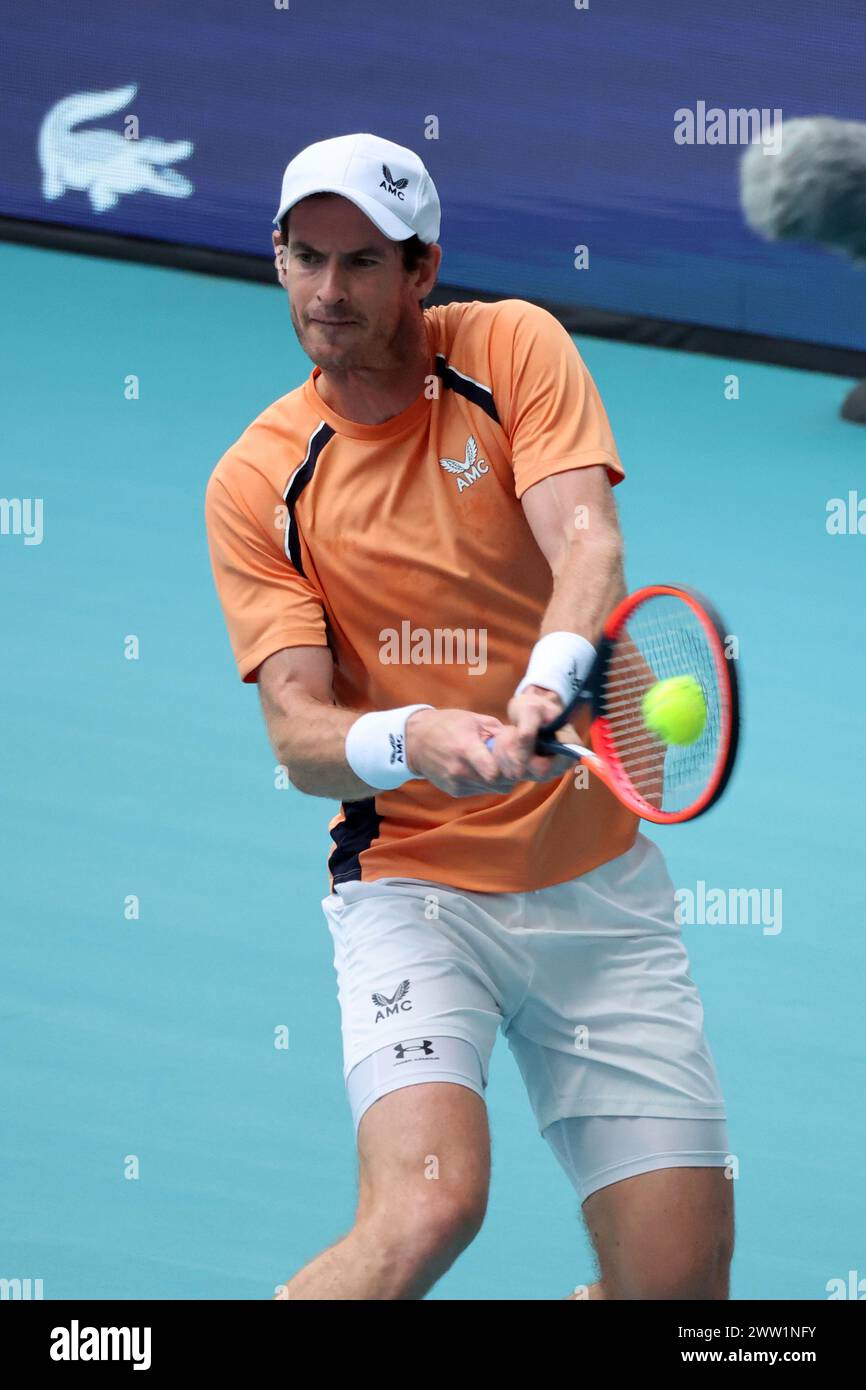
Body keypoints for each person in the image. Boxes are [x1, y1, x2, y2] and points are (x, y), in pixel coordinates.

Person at [204, 132, 733, 1300]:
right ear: (279, 259)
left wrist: (545, 688)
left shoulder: (510, 346)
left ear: (420, 271)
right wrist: (415, 739)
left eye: (358, 264)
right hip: (413, 890)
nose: (327, 293)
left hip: (599, 890)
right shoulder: (257, 481)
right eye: (304, 258)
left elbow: (585, 541)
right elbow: (296, 738)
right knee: (429, 1206)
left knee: (681, 1298)